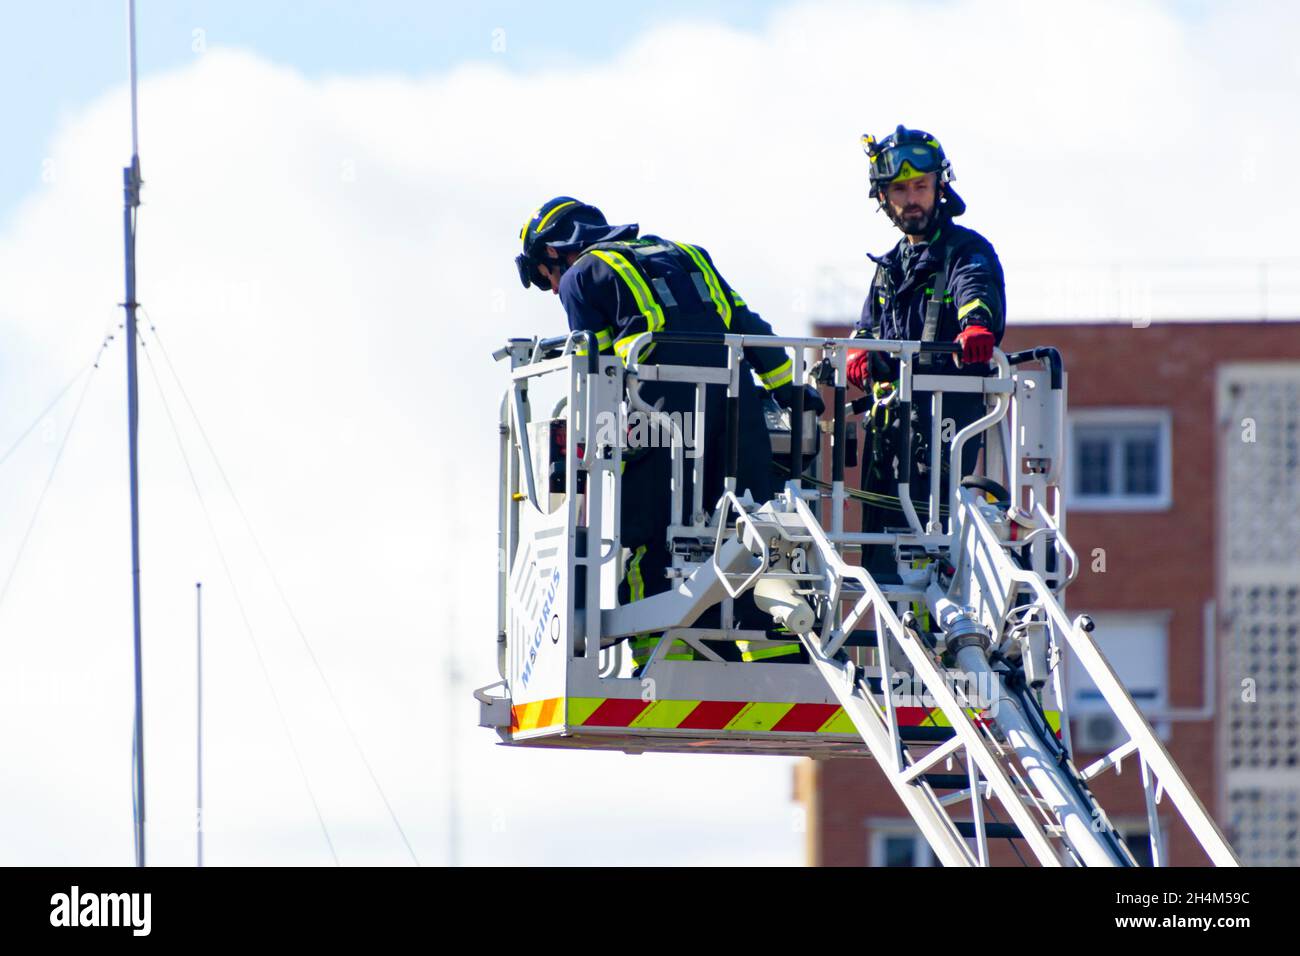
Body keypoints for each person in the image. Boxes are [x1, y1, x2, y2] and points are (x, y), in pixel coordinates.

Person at [516, 197, 822, 667]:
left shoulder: (581, 277)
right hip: (737, 412)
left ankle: (667, 651)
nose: (554, 290)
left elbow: (595, 372)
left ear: (555, 253)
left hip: (660, 417)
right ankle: (772, 647)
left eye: (546, 278)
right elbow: (749, 328)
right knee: (752, 525)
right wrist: (791, 391)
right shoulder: (688, 254)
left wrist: (595, 444)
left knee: (646, 533)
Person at [846, 127, 1006, 571]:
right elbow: (864, 334)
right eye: (900, 188)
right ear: (883, 197)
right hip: (887, 432)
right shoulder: (888, 269)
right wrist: (856, 358)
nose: (911, 198)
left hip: (945, 420)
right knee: (880, 555)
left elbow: (975, 288)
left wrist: (977, 325)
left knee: (934, 543)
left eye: (920, 186)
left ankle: (934, 632)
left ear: (940, 188)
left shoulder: (965, 250)